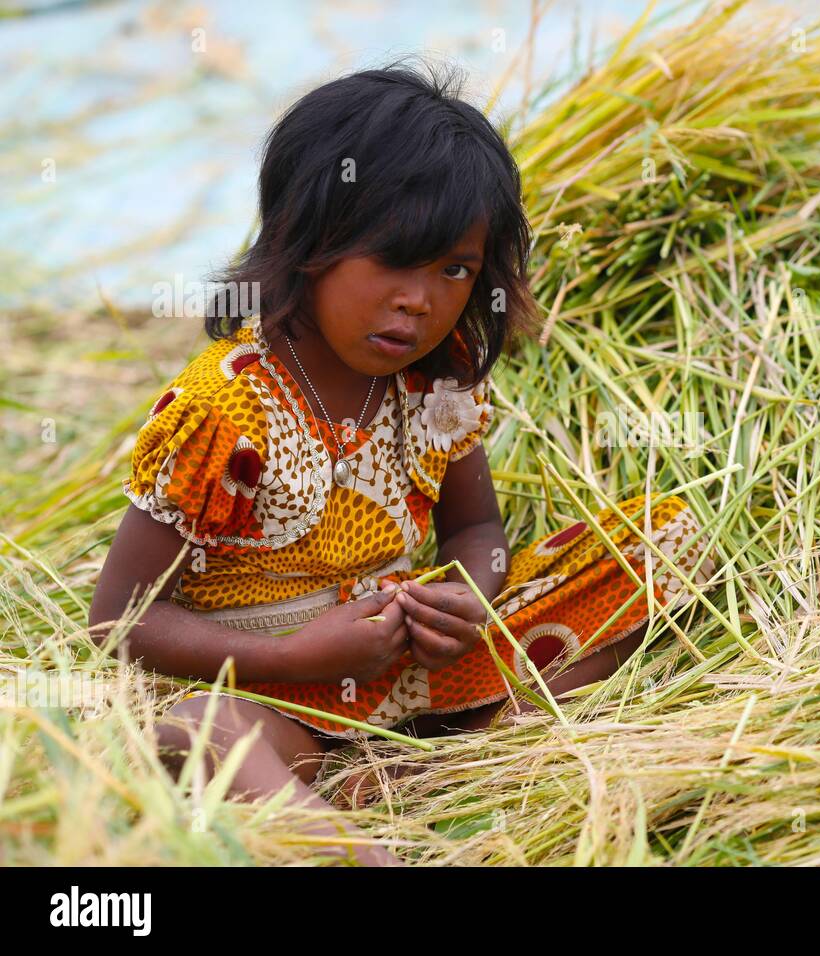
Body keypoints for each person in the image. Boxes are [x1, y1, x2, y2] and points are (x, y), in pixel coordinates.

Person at [87, 59, 717, 866]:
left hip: (408, 671)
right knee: (194, 734)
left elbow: (477, 526)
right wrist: (293, 656)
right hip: (264, 689)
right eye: (392, 259)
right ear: (305, 241)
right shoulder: (224, 413)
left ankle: (432, 761)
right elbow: (120, 622)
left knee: (663, 540)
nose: (419, 301)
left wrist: (467, 599)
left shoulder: (435, 381)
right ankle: (347, 839)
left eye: (454, 269)